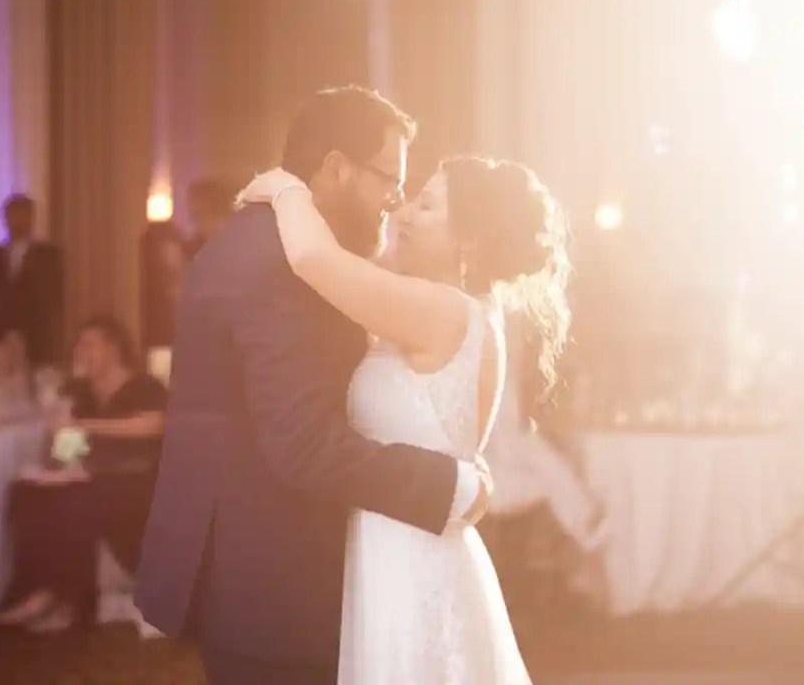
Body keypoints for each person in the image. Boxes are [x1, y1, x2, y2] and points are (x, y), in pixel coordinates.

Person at [136, 87, 494, 685]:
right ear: (335, 168)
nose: (395, 203)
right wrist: (450, 487)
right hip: (276, 573)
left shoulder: (253, 241)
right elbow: (302, 444)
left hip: (243, 557)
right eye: (389, 181)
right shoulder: (286, 265)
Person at [239, 148, 569, 682]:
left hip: (408, 554)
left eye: (427, 205)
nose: (404, 213)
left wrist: (284, 186)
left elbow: (313, 260)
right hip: (408, 537)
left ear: (469, 240)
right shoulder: (456, 308)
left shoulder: (442, 310)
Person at [0, 315, 167, 633]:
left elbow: (154, 426)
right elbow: (68, 456)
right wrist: (59, 424)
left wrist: (84, 426)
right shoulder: (81, 393)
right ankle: (38, 590)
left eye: (90, 344)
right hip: (92, 477)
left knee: (75, 501)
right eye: (78, 345)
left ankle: (67, 600)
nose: (80, 352)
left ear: (114, 349)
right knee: (26, 493)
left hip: (139, 483)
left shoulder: (144, 385)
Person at [0, 194, 64, 367]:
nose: (17, 221)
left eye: (22, 214)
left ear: (32, 218)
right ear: (4, 219)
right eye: (12, 215)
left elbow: (55, 296)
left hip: (37, 338)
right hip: (0, 336)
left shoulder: (49, 255)